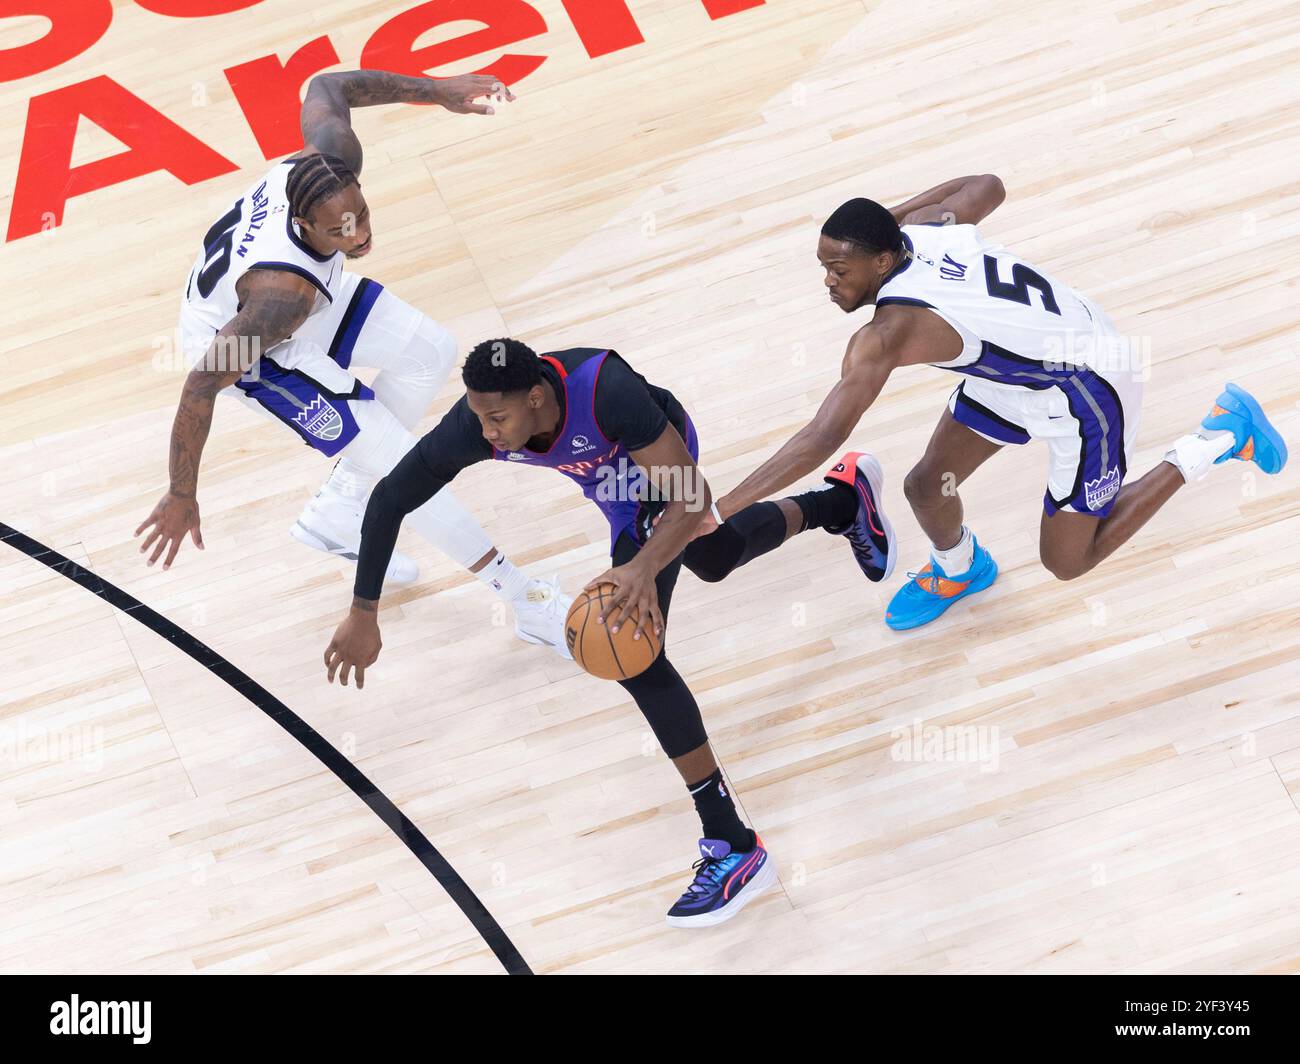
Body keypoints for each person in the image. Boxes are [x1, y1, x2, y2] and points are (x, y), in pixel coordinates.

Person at [323, 339, 808, 927]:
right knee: (713, 555)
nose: (489, 433)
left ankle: (734, 845)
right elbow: (391, 498)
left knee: (631, 648)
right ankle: (840, 502)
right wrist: (364, 610)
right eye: (479, 417)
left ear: (537, 397)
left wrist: (642, 567)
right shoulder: (477, 423)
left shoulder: (607, 390)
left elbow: (691, 497)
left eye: (498, 418)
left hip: (659, 470)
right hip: (606, 484)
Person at [689, 175, 1288, 629]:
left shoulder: (890, 331)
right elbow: (989, 185)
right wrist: (889, 222)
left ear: (880, 260)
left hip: (1087, 386)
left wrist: (720, 508)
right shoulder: (926, 228)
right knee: (927, 486)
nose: (829, 282)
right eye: (824, 267)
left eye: (839, 268)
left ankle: (1219, 437)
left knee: (1067, 562)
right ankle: (961, 570)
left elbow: (822, 437)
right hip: (1020, 366)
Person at [133, 69, 569, 655]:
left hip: (292, 303)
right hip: (249, 350)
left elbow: (329, 87)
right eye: (341, 228)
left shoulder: (330, 161)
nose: (360, 233)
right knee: (402, 463)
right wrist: (181, 491)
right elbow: (200, 387)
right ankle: (524, 599)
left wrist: (433, 91)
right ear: (303, 224)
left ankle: (339, 512)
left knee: (429, 349)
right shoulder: (280, 298)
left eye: (361, 213)